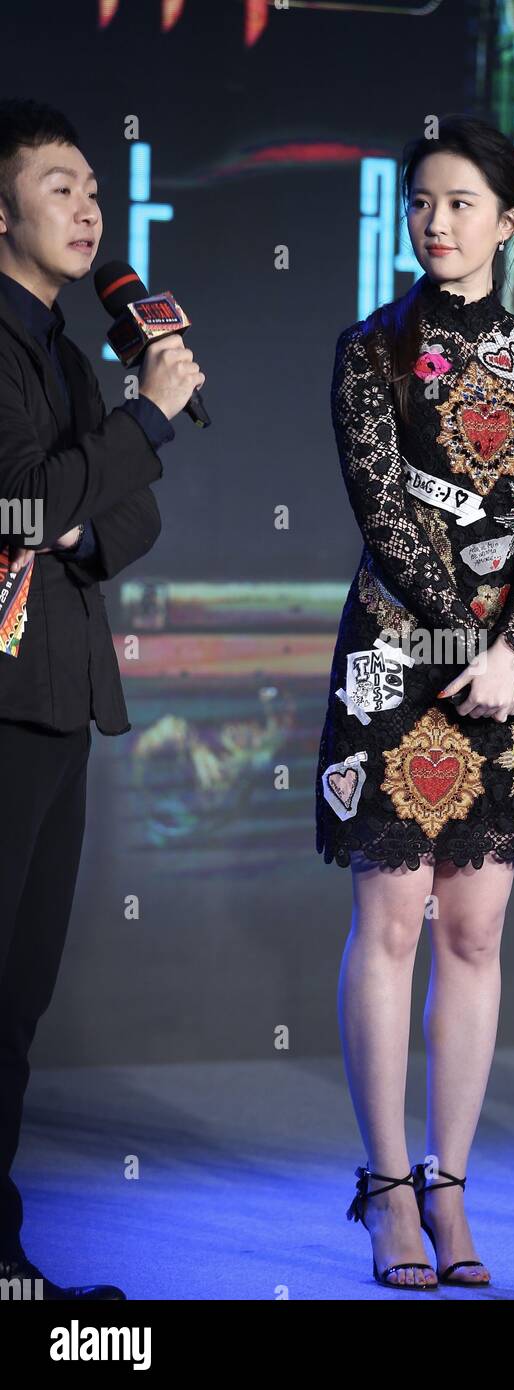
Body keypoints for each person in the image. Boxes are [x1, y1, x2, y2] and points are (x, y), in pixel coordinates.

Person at [315, 115, 514, 1289]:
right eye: (421, 200)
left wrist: (509, 650)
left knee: (472, 932)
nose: (436, 220)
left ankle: (450, 1186)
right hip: (395, 662)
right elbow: (387, 517)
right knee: (390, 923)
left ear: (507, 221)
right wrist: (462, 643)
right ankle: (384, 1193)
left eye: (461, 201)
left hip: (505, 674)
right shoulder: (367, 349)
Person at [0, 98, 204, 1300]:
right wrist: (136, 427)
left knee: (19, 995)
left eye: (93, 186)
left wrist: (98, 465)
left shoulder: (74, 355)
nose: (88, 205)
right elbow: (24, 502)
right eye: (60, 184)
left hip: (59, 693)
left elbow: (123, 516)